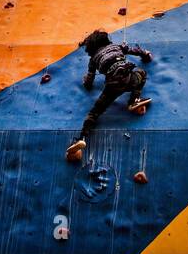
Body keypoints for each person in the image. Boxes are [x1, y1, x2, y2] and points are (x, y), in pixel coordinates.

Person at [65, 29, 153, 162]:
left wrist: (86, 83)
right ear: (106, 40)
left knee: (94, 113)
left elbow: (89, 79)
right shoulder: (117, 47)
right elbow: (136, 51)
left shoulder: (93, 59)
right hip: (129, 78)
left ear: (91, 48)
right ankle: (134, 100)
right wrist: (145, 55)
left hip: (112, 86)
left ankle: (81, 139)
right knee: (142, 74)